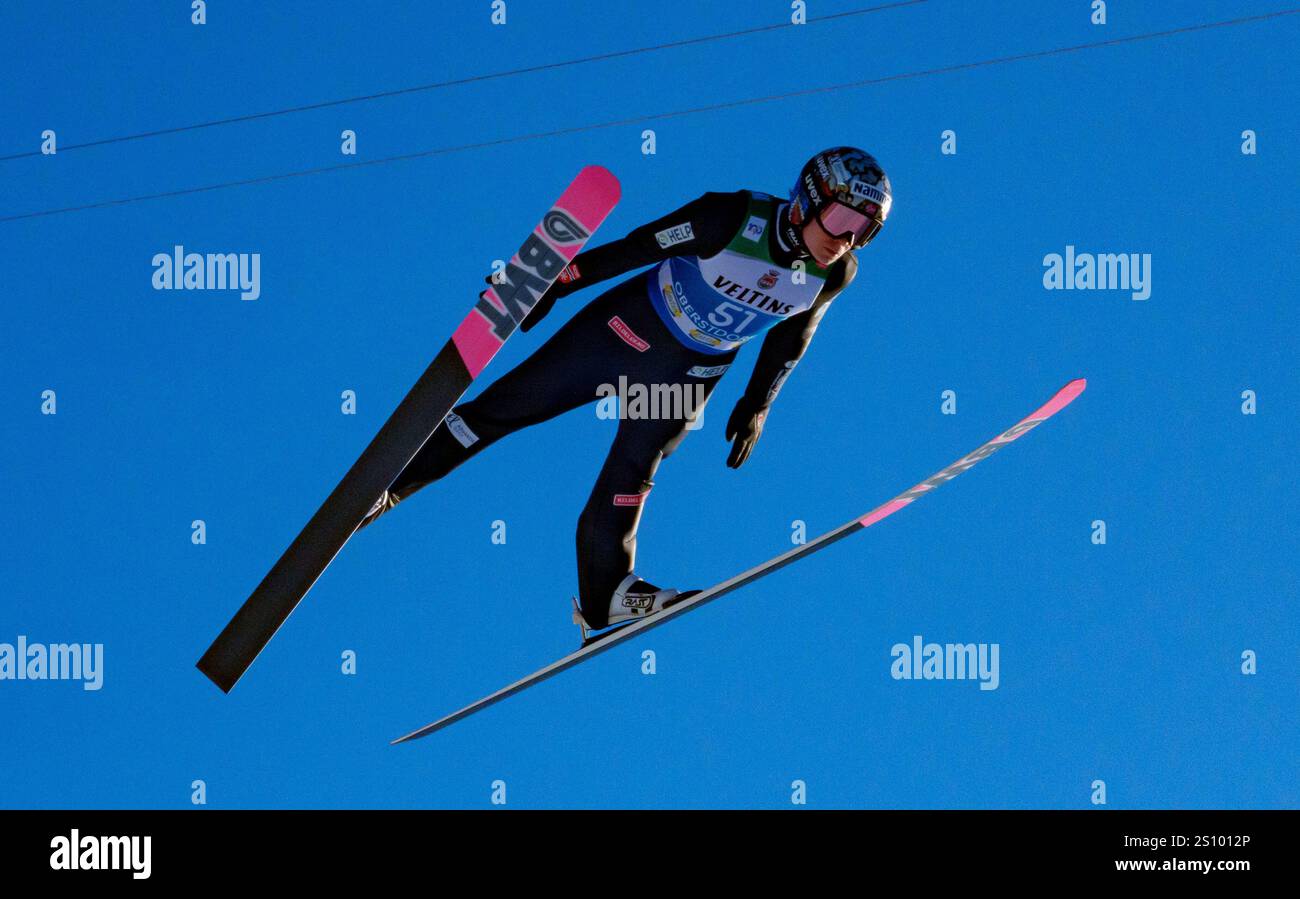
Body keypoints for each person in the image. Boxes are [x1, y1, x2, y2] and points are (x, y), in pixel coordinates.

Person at [360, 147, 893, 639]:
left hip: (689, 372)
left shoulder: (836, 272)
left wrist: (758, 405)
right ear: (805, 200)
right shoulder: (731, 218)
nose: (846, 240)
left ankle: (607, 596)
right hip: (625, 331)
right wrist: (557, 281)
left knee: (633, 474)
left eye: (864, 232)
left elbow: (791, 338)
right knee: (507, 408)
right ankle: (388, 487)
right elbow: (638, 247)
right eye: (843, 220)